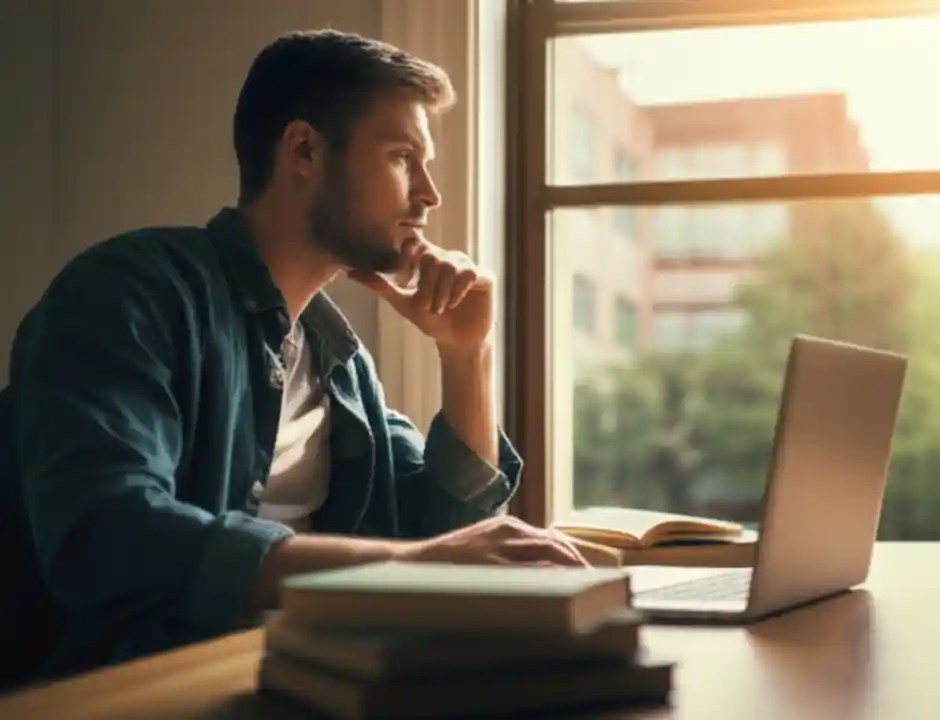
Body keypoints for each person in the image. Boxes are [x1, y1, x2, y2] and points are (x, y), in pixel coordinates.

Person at [0, 29, 587, 684]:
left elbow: (438, 533)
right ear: (304, 149)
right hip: (128, 690)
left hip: (295, 683)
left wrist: (465, 354)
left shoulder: (337, 358)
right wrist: (409, 568)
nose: (429, 193)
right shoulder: (130, 291)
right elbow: (103, 533)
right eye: (402, 157)